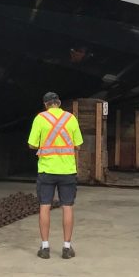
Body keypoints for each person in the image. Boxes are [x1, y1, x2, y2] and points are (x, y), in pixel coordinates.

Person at [27, 91, 84, 259]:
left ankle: (45, 248)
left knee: (45, 206)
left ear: (45, 104)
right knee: (67, 206)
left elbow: (31, 144)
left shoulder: (40, 118)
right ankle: (67, 247)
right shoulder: (70, 118)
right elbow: (78, 145)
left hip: (46, 170)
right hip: (67, 171)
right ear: (59, 103)